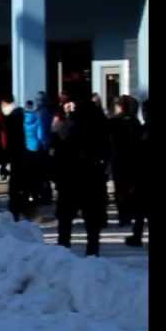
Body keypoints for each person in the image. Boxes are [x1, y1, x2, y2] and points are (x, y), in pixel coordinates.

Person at [52, 96, 110, 256]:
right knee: (92, 222)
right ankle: (92, 252)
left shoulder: (68, 127)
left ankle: (62, 252)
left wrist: (56, 177)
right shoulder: (101, 126)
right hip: (93, 179)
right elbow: (107, 151)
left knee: (65, 220)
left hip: (70, 179)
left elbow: (58, 152)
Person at [108, 95, 143, 227]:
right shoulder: (135, 122)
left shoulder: (113, 121)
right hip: (133, 159)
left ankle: (124, 216)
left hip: (118, 159)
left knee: (120, 188)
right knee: (131, 187)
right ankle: (130, 212)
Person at [0, 95, 30, 221]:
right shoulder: (20, 114)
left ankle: (16, 212)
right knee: (19, 185)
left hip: (16, 155)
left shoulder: (11, 118)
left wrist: (4, 160)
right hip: (23, 154)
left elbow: (10, 141)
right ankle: (20, 210)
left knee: (15, 187)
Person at [126, 98, 149, 247]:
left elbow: (138, 152)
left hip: (143, 174)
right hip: (143, 173)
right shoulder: (142, 128)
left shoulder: (144, 129)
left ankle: (137, 236)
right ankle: (136, 235)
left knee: (141, 209)